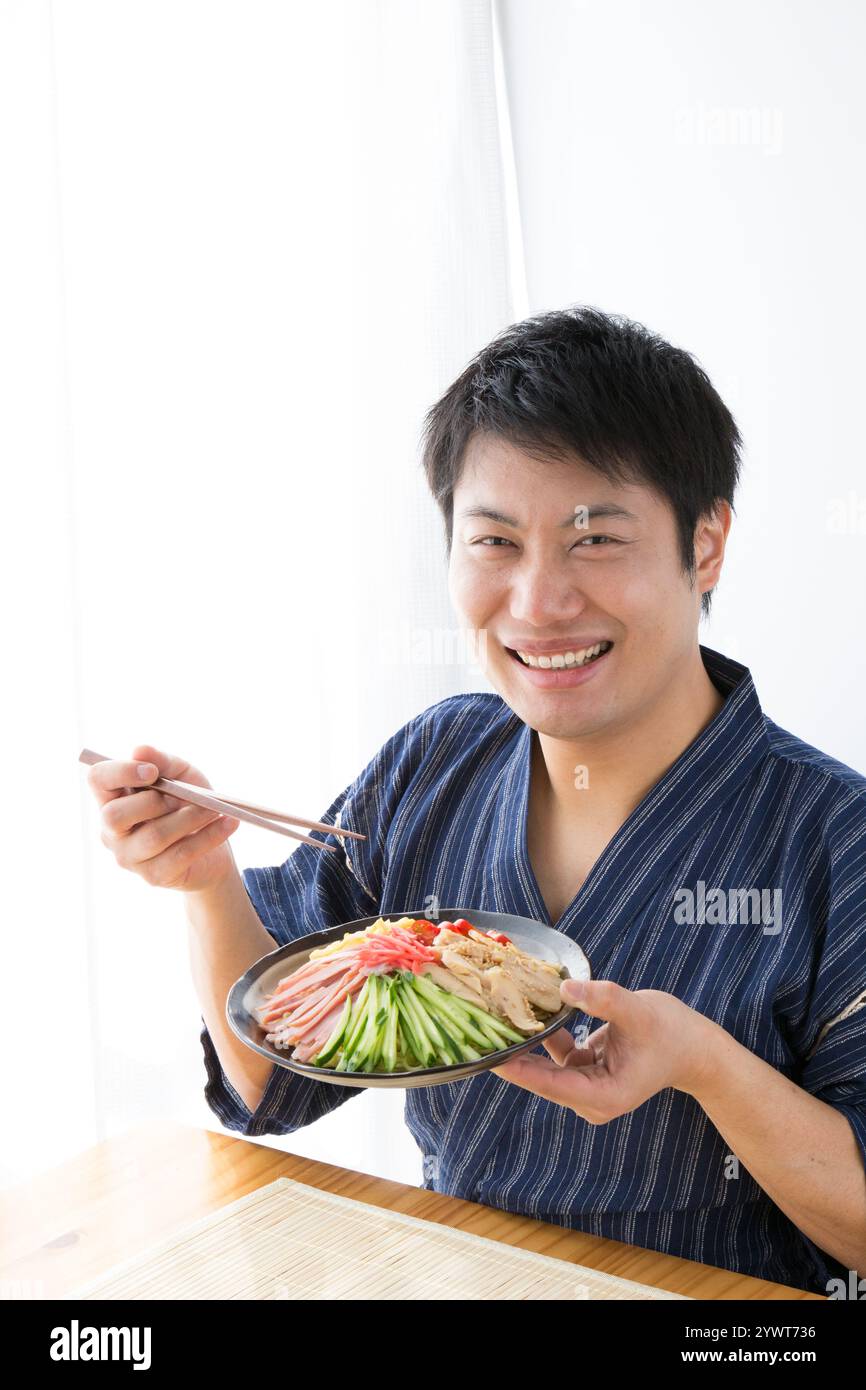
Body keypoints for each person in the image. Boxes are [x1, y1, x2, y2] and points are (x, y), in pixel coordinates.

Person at [88, 306, 866, 1296]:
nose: (537, 602)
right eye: (494, 540)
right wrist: (205, 879)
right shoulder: (434, 762)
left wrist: (704, 1064)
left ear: (703, 544)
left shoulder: (832, 839)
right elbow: (274, 1073)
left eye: (594, 540)